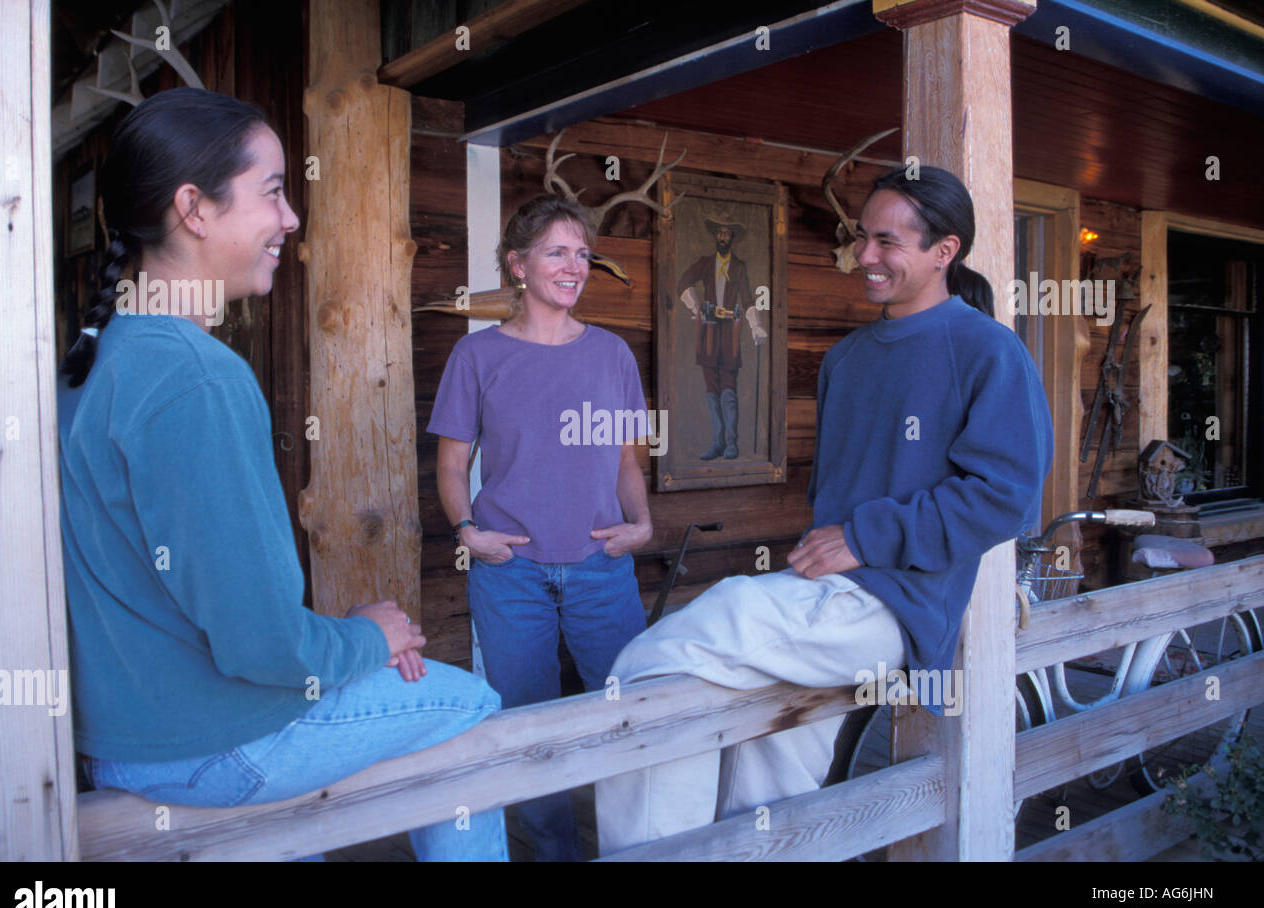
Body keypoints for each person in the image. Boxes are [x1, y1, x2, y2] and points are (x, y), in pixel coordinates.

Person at [58, 87, 507, 861]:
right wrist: (371, 636)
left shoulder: (90, 362)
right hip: (213, 746)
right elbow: (260, 643)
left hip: (122, 739)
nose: (291, 219)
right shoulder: (197, 379)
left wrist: (352, 633)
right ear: (194, 208)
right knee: (469, 702)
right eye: (273, 192)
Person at [595, 165, 1054, 854]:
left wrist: (865, 537)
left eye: (887, 241)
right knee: (768, 765)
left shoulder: (989, 352)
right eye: (862, 237)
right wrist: (832, 546)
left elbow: (1005, 496)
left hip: (892, 603)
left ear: (943, 251)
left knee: (654, 664)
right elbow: (834, 494)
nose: (864, 256)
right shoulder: (846, 359)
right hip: (821, 594)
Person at [430, 194, 653, 861]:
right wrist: (467, 529)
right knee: (528, 728)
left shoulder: (612, 354)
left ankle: (636, 843)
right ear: (517, 264)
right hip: (510, 572)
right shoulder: (477, 357)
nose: (574, 266)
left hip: (601, 568)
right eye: (557, 251)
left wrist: (641, 521)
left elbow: (626, 461)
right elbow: (450, 464)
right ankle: (556, 852)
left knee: (630, 711)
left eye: (582, 254)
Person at [675, 214, 767, 459]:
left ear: (732, 238)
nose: (722, 237)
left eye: (726, 233)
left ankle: (732, 444)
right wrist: (699, 307)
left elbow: (747, 299)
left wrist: (756, 326)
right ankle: (717, 442)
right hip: (708, 331)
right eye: (719, 232)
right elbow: (683, 282)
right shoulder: (705, 263)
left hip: (729, 334)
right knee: (711, 389)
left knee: (728, 387)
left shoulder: (738, 267)